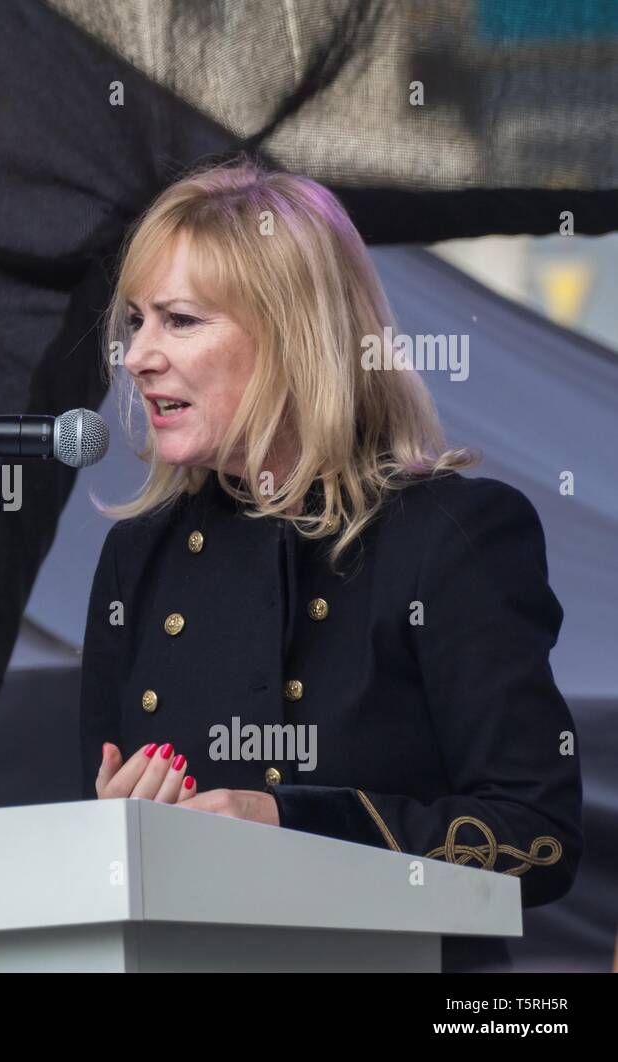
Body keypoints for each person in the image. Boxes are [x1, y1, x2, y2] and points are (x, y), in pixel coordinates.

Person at [79, 157, 584, 972]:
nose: (137, 355)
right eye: (134, 321)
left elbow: (539, 842)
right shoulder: (136, 557)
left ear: (292, 336)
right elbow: (98, 871)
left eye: (178, 319)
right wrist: (114, 836)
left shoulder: (452, 534)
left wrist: (287, 822)